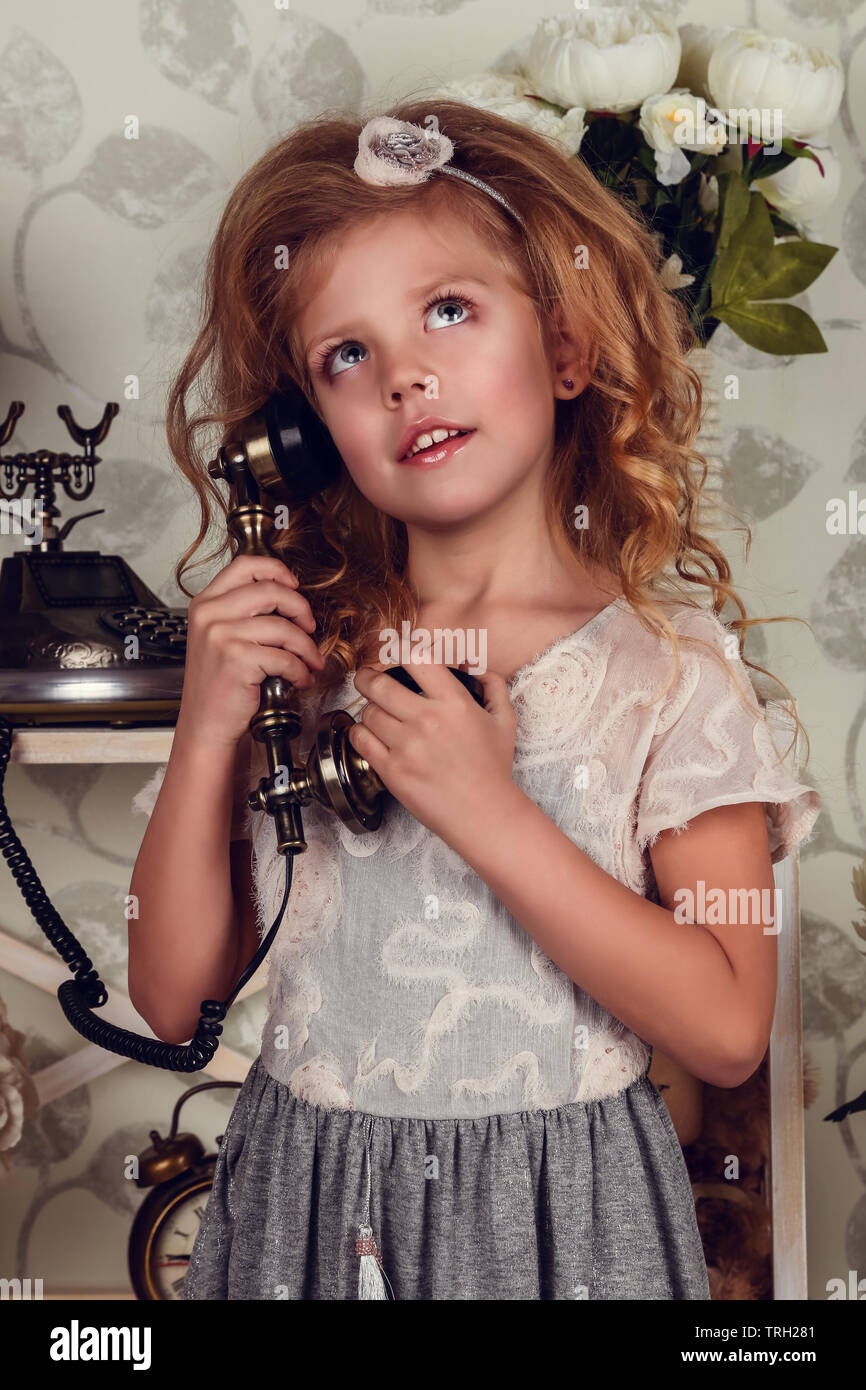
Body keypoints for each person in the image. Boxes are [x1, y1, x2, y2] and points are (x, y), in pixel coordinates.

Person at [128, 100, 822, 1301]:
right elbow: (173, 995)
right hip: (308, 1204)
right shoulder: (310, 656)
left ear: (563, 350)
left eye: (448, 310)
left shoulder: (666, 672)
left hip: (558, 1221)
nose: (405, 374)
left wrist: (487, 811)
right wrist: (207, 733)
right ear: (305, 427)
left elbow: (722, 1029)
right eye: (346, 356)